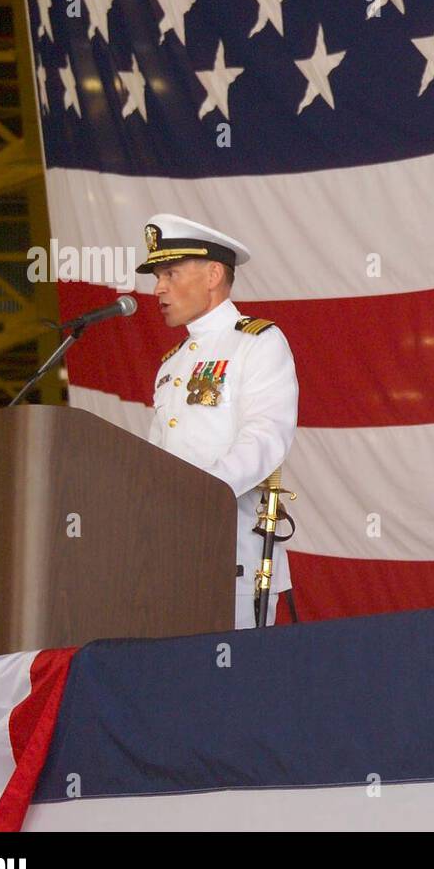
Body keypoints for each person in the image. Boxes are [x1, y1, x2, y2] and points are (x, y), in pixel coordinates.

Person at [140, 214, 299, 626]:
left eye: (170, 273)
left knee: (231, 687)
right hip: (167, 557)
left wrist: (202, 493)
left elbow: (266, 437)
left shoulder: (257, 342)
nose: (158, 288)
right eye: (157, 275)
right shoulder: (172, 364)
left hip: (232, 560)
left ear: (213, 274)